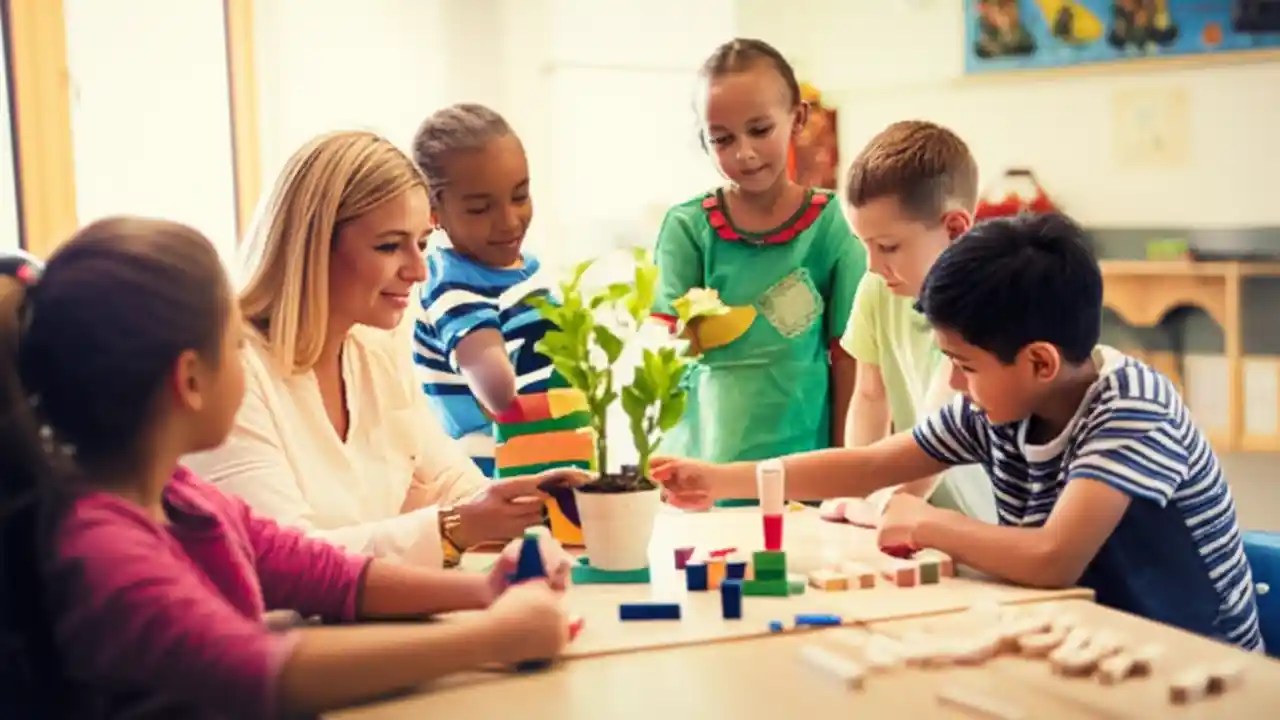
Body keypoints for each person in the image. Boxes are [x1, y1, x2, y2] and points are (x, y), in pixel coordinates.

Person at [0, 221, 572, 718]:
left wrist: (481, 591)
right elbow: (260, 670)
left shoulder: (179, 495)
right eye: (234, 345)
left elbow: (325, 574)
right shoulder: (101, 550)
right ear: (191, 380)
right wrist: (491, 638)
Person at [654, 213, 1264, 652]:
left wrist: (926, 521)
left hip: (1194, 660)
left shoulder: (1131, 411)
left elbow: (1052, 558)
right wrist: (720, 479)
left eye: (965, 364)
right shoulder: (1002, 399)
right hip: (1088, 635)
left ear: (1040, 363)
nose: (953, 379)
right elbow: (870, 465)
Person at [183, 131, 583, 568]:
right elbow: (280, 560)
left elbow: (447, 481)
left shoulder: (375, 349)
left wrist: (529, 504)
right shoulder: (232, 369)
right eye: (390, 246)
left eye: (423, 243)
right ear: (313, 246)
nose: (417, 270)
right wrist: (457, 526)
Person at [650, 38, 867, 503]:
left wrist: (849, 471)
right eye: (722, 139)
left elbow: (850, 356)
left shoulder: (834, 225)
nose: (744, 153)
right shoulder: (688, 228)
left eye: (760, 129)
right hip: (706, 459)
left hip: (803, 464)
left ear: (799, 119)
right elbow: (665, 352)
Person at [840, 120, 996, 523]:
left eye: (889, 247)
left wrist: (888, 507)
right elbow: (870, 397)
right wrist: (858, 491)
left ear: (955, 229)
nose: (874, 265)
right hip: (907, 519)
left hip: (986, 524)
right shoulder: (878, 289)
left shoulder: (986, 299)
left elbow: (941, 429)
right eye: (865, 246)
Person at [410, 103, 559, 478]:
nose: (509, 221)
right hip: (490, 479)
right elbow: (497, 392)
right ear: (433, 211)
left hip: (548, 462)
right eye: (480, 209)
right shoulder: (449, 281)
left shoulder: (528, 270)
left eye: (520, 196)